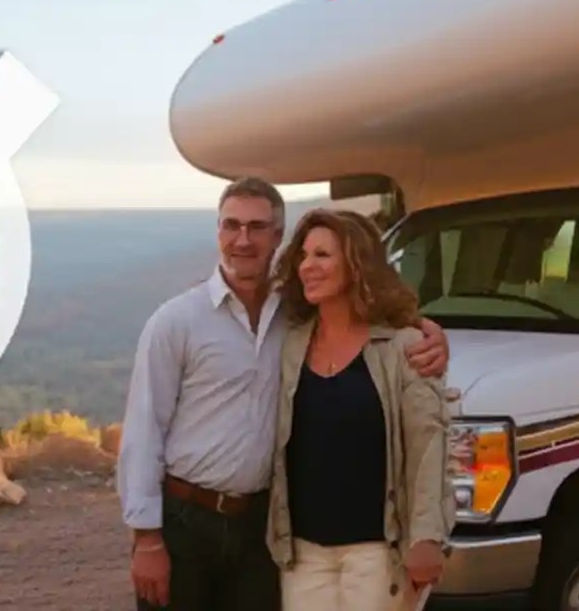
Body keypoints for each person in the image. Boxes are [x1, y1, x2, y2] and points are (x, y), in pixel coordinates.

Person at [116, 177, 450, 611]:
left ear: (277, 236)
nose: (242, 239)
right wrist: (146, 539)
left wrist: (432, 333)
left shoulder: (292, 319)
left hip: (261, 529)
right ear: (218, 232)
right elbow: (143, 431)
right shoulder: (177, 322)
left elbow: (374, 323)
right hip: (186, 520)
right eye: (231, 226)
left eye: (257, 227)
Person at [266, 208, 454, 611]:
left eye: (323, 255)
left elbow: (428, 448)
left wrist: (427, 538)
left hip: (376, 552)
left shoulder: (403, 348)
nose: (307, 267)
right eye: (303, 255)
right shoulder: (289, 344)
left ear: (356, 265)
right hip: (303, 553)